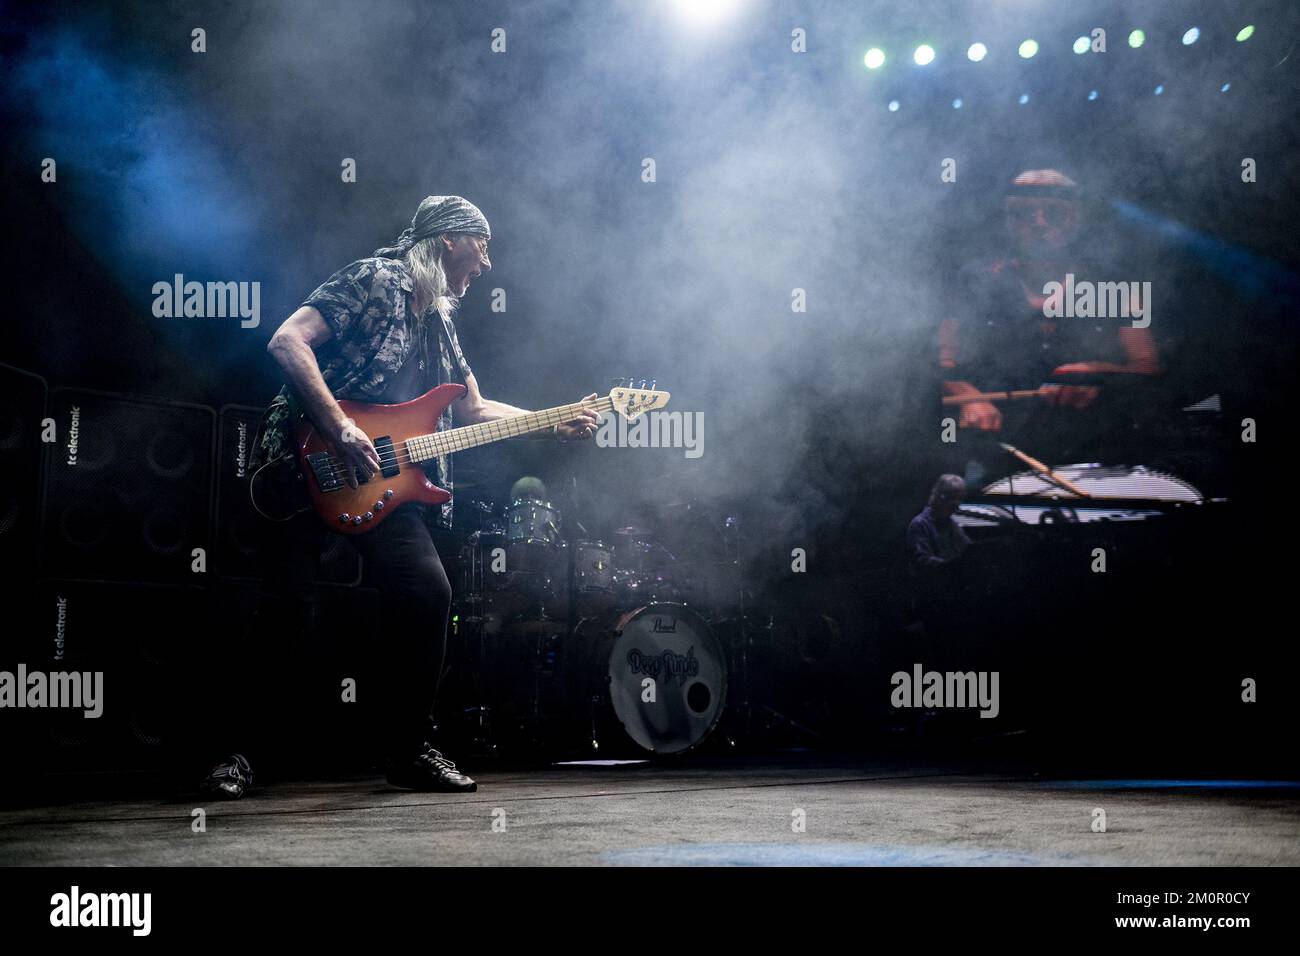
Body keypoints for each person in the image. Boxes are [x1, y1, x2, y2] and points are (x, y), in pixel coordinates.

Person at [202, 196, 599, 797]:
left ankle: (408, 749)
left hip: (388, 481)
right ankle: (239, 754)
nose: (486, 263)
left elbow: (473, 408)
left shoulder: (439, 319)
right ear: (448, 241)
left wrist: (553, 421)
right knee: (288, 606)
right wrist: (339, 426)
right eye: (482, 245)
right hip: (307, 463)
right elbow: (287, 342)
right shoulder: (373, 278)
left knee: (426, 594)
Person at [938, 169, 1159, 462]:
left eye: (1054, 214)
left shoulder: (1117, 283)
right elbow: (942, 362)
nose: (1039, 223)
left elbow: (1149, 367)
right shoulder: (973, 281)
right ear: (1008, 222)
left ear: (1076, 221)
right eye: (1024, 214)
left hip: (1101, 451)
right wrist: (968, 396)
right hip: (1000, 451)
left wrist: (1101, 373)